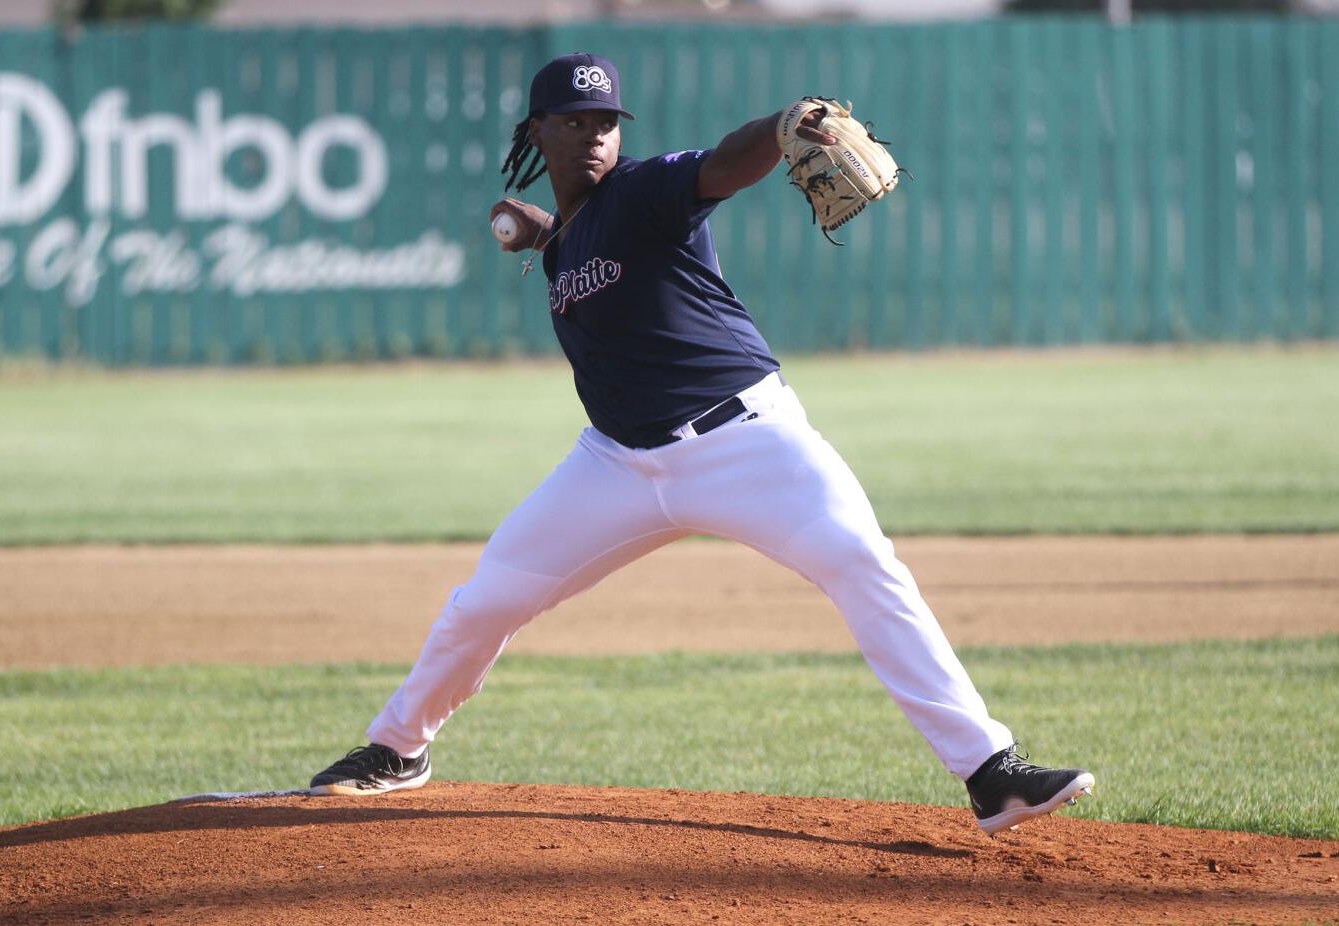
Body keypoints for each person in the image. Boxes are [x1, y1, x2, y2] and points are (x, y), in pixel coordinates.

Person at [309, 52, 1094, 835]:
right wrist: (541, 231)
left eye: (606, 122)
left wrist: (783, 125)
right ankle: (397, 749)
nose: (592, 136)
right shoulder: (572, 237)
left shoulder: (646, 190)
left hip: (745, 441)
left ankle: (993, 774)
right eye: (574, 121)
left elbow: (722, 165)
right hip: (614, 463)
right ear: (537, 130)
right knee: (486, 600)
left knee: (863, 565)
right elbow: (584, 246)